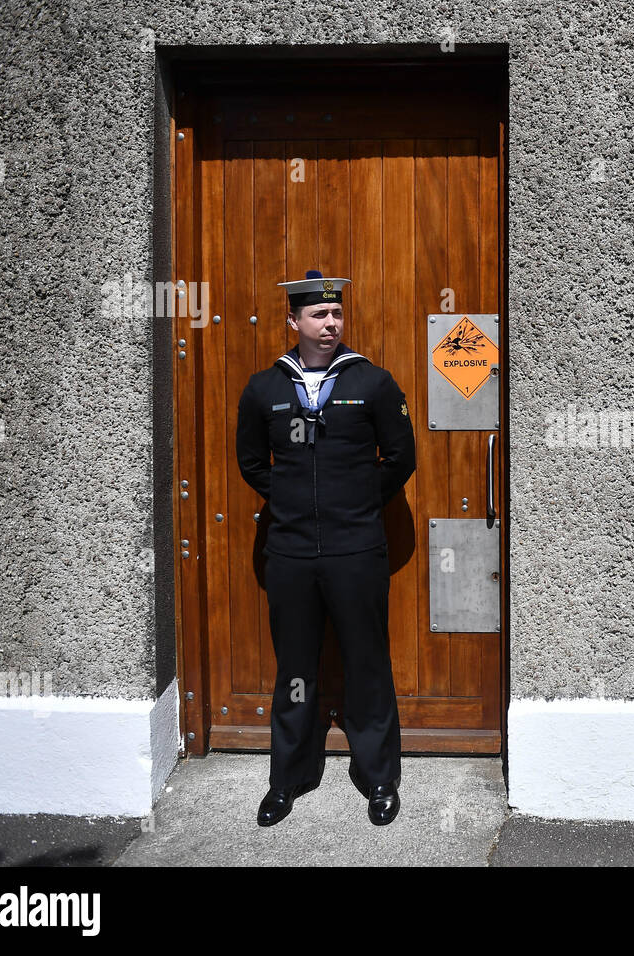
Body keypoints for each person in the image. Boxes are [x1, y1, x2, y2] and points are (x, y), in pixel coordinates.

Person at [235, 269, 416, 827]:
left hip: (356, 550)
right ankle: (288, 777)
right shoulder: (263, 389)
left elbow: (401, 458)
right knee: (295, 667)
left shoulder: (373, 384)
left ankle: (379, 777)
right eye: (319, 315)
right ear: (294, 321)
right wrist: (291, 503)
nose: (331, 323)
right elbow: (250, 463)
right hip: (289, 553)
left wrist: (358, 503)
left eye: (337, 314)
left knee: (366, 663)